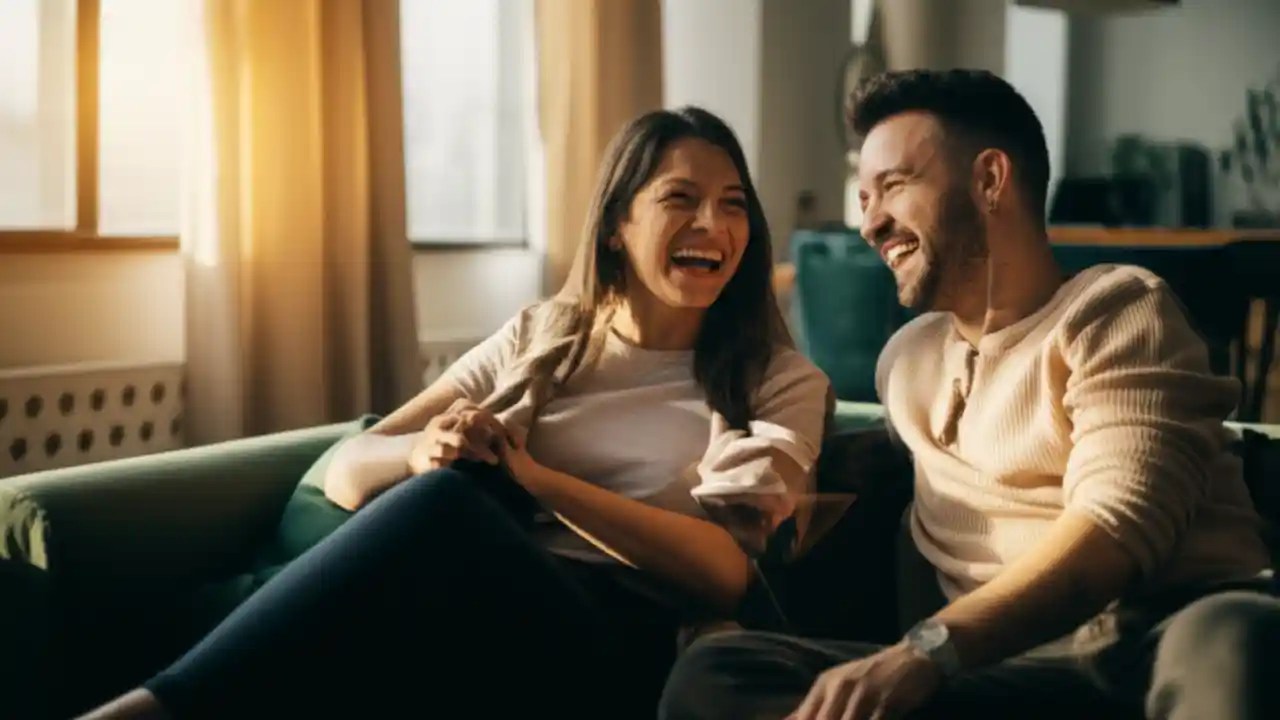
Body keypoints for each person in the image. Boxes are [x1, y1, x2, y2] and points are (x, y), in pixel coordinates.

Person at [79, 107, 831, 720]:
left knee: (448, 509)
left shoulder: (777, 381)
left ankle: (147, 711)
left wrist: (537, 482)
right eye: (681, 199)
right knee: (434, 514)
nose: (714, 225)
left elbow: (726, 575)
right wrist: (419, 452)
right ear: (615, 226)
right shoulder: (541, 337)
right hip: (475, 610)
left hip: (618, 639)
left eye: (733, 205)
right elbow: (343, 470)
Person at [659, 69, 1280, 720]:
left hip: (1156, 642)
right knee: (718, 673)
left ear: (989, 180)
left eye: (893, 187)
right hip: (1009, 679)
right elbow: (872, 493)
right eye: (863, 197)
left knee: (1234, 639)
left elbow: (1117, 529)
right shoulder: (906, 361)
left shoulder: (1116, 311)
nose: (870, 224)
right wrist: (771, 511)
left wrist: (929, 649)